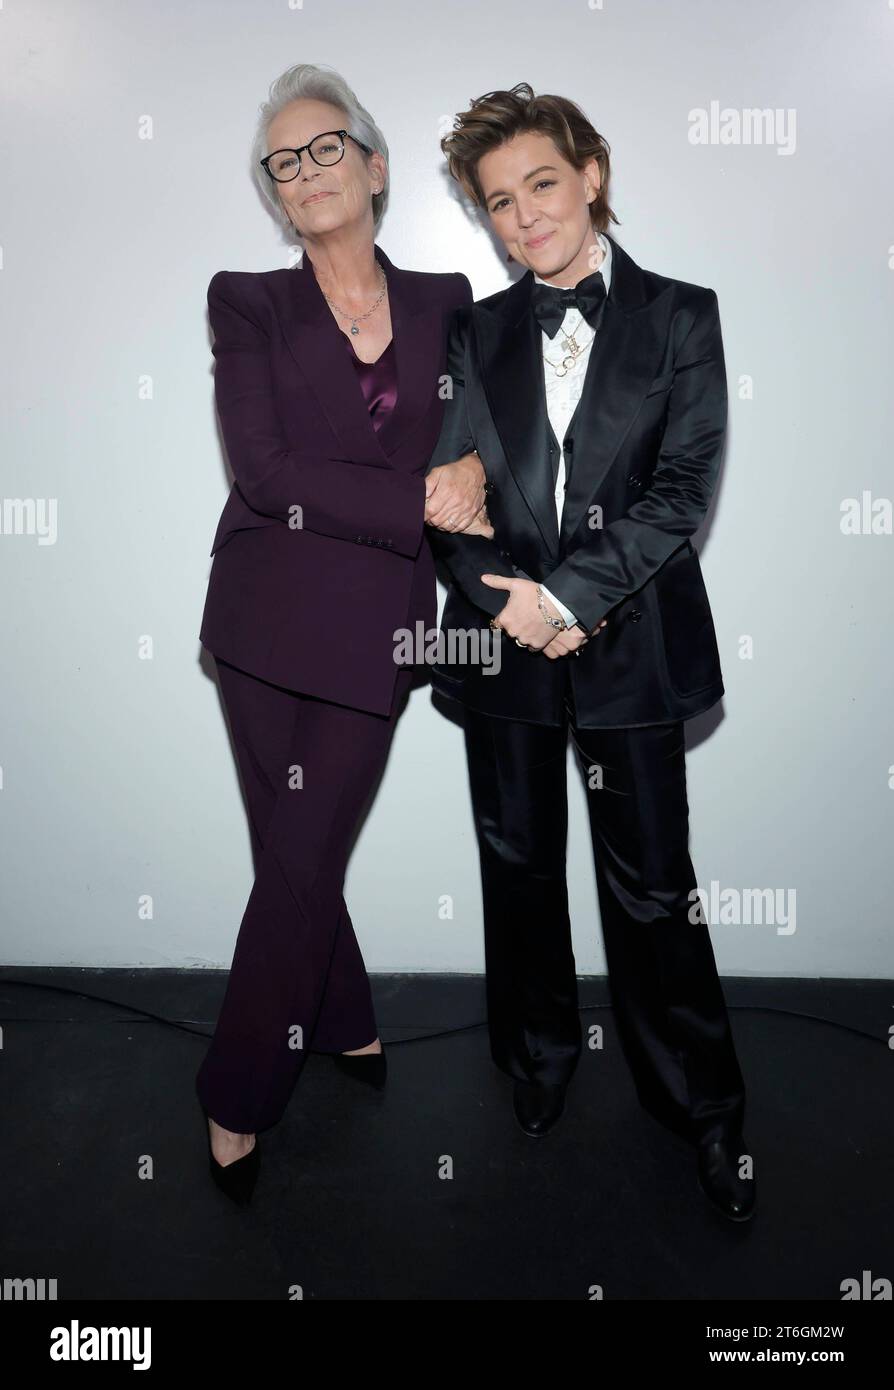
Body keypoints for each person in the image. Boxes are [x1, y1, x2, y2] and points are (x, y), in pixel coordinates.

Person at [426, 83, 755, 1221]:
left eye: (542, 186)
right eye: (499, 202)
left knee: (654, 892)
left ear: (593, 172)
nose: (524, 218)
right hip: (505, 650)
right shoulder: (472, 331)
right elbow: (448, 501)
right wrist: (493, 598)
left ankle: (704, 1110)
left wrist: (566, 597)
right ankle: (539, 1062)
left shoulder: (682, 316)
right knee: (518, 874)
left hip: (632, 644)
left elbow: (679, 495)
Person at [195, 62, 485, 1203]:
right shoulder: (247, 302)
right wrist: (420, 491)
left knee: (303, 851)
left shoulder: (450, 299)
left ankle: (235, 1084)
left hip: (379, 628)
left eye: (324, 148)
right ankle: (341, 1021)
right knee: (297, 854)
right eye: (282, 161)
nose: (304, 171)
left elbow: (484, 453)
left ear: (373, 165)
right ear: (273, 194)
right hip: (261, 619)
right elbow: (264, 472)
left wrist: (473, 485)